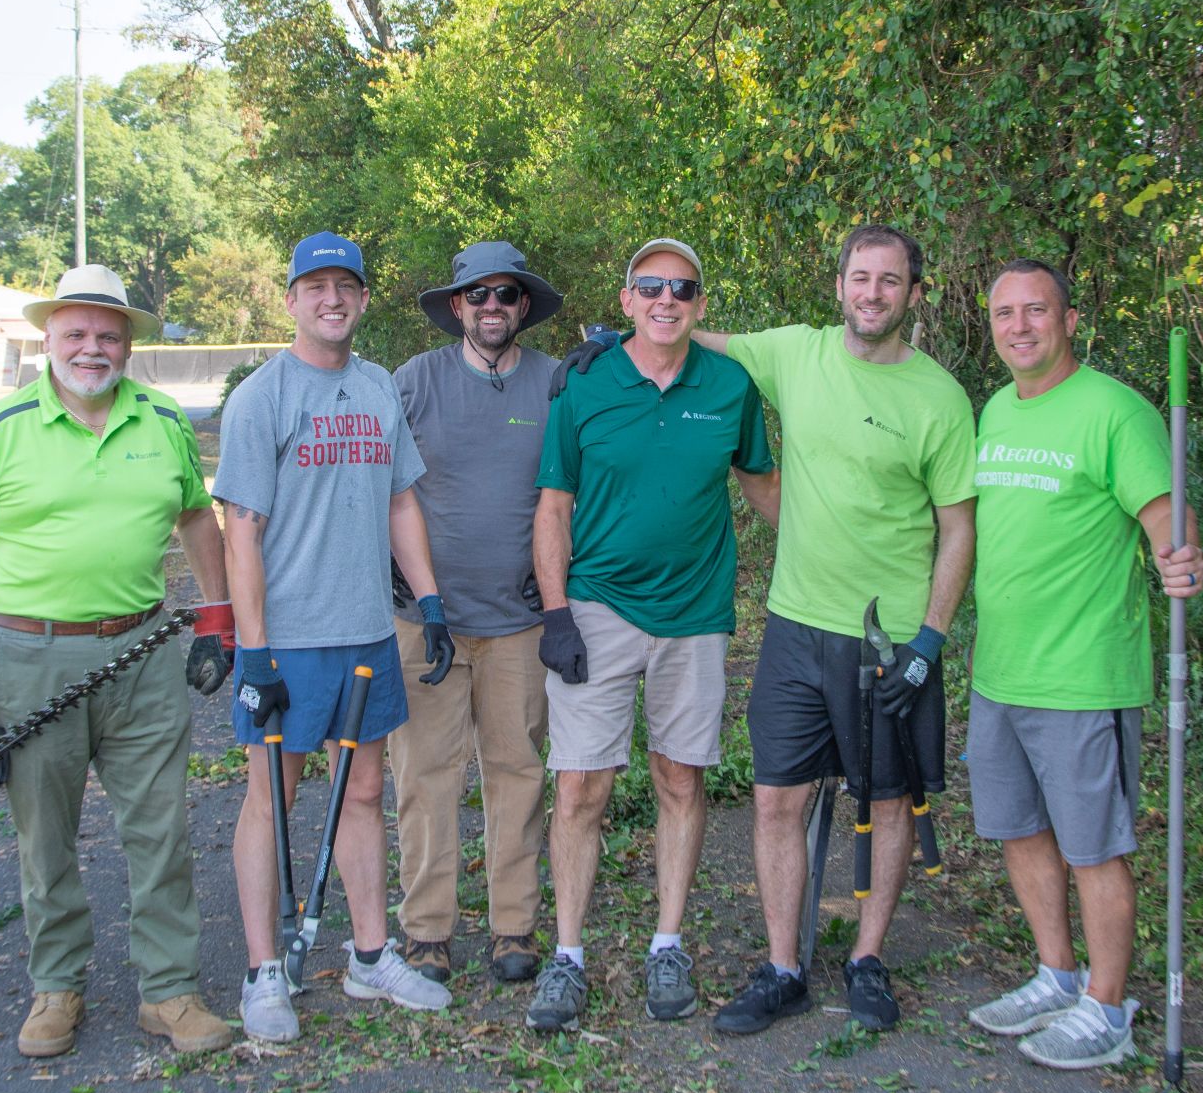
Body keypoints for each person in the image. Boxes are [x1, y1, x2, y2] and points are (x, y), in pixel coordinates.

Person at [553, 224, 976, 1036]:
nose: (872, 293)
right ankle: (785, 965)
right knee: (775, 796)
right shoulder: (797, 351)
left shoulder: (939, 397)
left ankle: (866, 958)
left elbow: (959, 526)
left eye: (890, 281)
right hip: (793, 622)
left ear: (914, 293)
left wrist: (933, 635)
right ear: (841, 284)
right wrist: (618, 336)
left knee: (887, 799)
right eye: (860, 276)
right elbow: (697, 335)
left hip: (890, 636)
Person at [0, 263, 237, 1059]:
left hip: (141, 653)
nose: (92, 347)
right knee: (45, 834)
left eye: (107, 334)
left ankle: (168, 992)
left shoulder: (162, 420)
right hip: (26, 655)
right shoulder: (1, 428)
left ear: (127, 343)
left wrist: (217, 621)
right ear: (49, 338)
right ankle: (56, 987)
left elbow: (200, 523)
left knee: (160, 828)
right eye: (76, 333)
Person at [523, 238, 777, 1034]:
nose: (667, 299)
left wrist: (833, 571)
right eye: (650, 286)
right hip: (597, 606)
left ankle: (667, 942)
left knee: (680, 779)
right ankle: (567, 956)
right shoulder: (585, 384)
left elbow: (769, 492)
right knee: (580, 786)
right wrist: (557, 610)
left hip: (695, 617)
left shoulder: (731, 387)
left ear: (700, 305)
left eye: (683, 287)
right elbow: (553, 506)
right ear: (626, 299)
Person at [962, 258, 1203, 1070]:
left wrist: (1180, 553)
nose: (1020, 325)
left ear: (1070, 321)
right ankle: (1055, 975)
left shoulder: (1113, 410)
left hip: (1082, 673)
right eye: (1005, 313)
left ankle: (1107, 1006)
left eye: (1037, 310)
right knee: (1020, 830)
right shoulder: (994, 409)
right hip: (1000, 671)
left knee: (1094, 845)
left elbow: (1163, 509)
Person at [216, 232, 458, 1042]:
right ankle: (263, 972)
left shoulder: (379, 387)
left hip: (364, 633)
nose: (331, 300)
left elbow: (399, 502)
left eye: (345, 287)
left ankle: (368, 954)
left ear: (361, 299)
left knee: (361, 792)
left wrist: (428, 599)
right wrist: (252, 652)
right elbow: (240, 530)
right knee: (271, 800)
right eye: (315, 286)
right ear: (290, 298)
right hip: (286, 640)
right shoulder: (263, 396)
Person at [387, 241, 563, 987]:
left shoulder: (558, 381)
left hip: (520, 619)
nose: (493, 307)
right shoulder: (412, 382)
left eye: (506, 295)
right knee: (424, 775)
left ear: (523, 306)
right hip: (424, 618)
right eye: (478, 296)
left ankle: (513, 924)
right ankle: (426, 930)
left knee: (517, 770)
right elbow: (380, 489)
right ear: (456, 307)